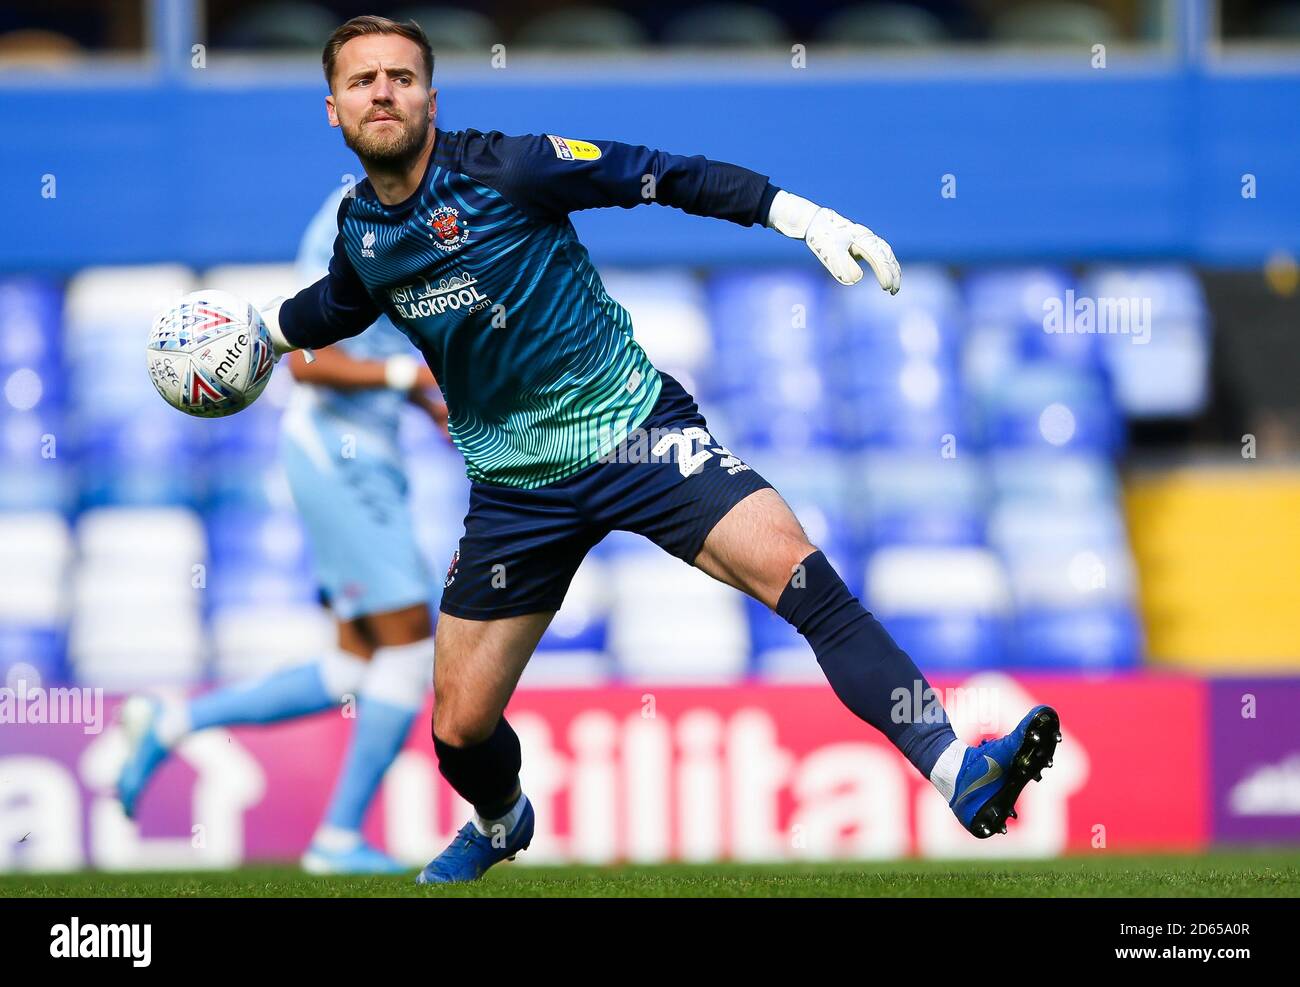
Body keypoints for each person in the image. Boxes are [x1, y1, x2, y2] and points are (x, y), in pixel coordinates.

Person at [256, 15, 1060, 884]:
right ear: (333, 109)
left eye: (402, 78)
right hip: (513, 491)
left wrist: (795, 213)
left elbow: (657, 173)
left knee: (800, 576)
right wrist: (258, 333)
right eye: (364, 80)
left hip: (636, 433)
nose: (384, 92)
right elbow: (334, 307)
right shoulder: (363, 233)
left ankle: (956, 767)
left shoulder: (508, 168)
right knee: (458, 726)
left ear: (431, 99)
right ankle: (499, 822)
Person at [116, 184, 448, 875]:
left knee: (351, 667)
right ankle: (335, 840)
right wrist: (410, 377)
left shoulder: (432, 216)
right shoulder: (349, 217)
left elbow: (391, 349)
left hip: (368, 457)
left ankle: (173, 721)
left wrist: (428, 404)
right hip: (335, 454)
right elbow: (303, 360)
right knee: (411, 649)